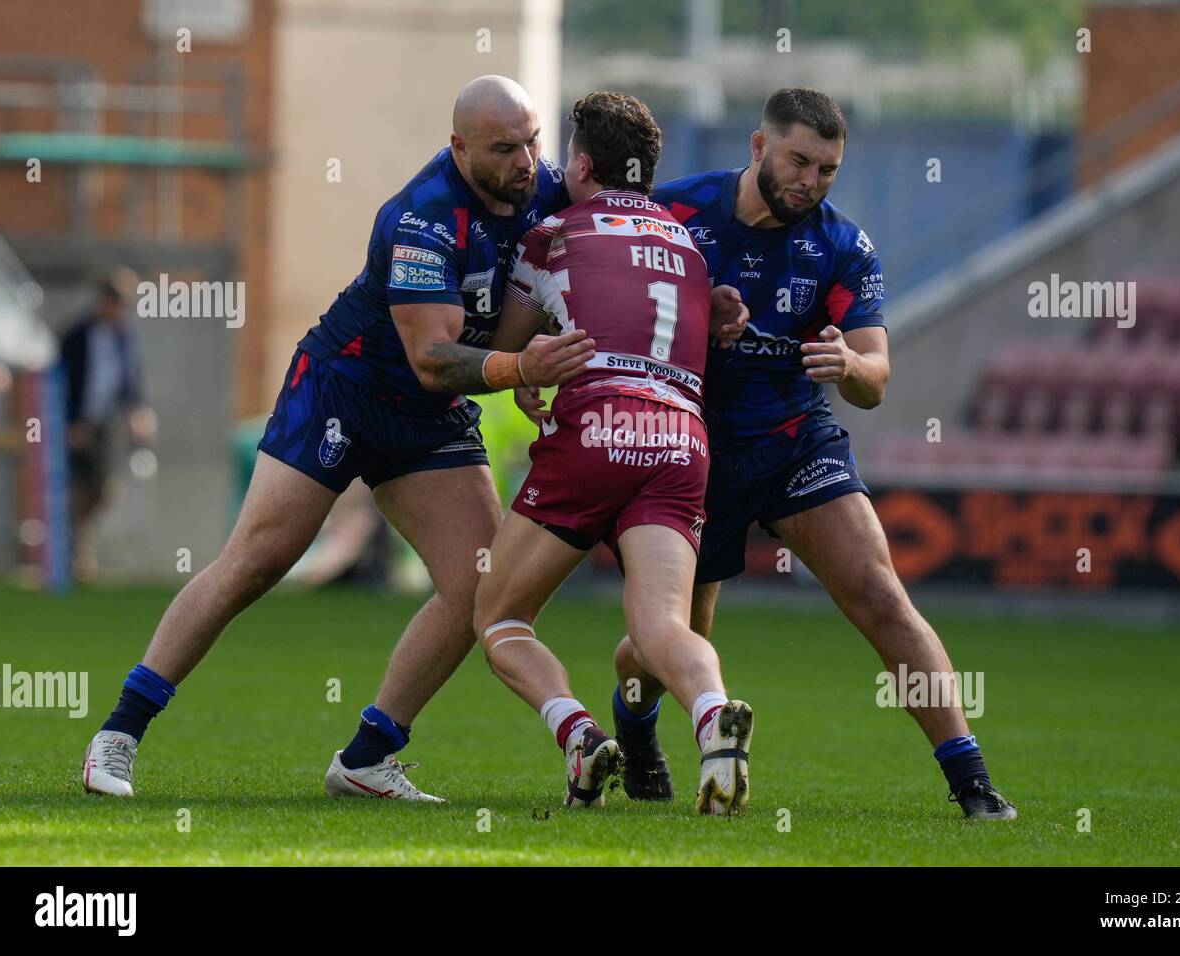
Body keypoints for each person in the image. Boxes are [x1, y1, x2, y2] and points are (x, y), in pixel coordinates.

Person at [81, 75, 596, 801]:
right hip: (342, 392)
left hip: (427, 417)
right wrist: (518, 367)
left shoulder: (542, 187)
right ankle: (118, 734)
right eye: (504, 148)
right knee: (255, 562)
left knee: (481, 589)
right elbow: (432, 358)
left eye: (532, 142)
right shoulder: (421, 216)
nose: (525, 162)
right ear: (459, 147)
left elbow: (626, 233)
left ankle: (366, 757)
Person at [602, 88, 1017, 819]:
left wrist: (848, 365)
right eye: (799, 161)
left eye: (827, 170)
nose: (810, 181)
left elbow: (875, 379)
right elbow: (611, 313)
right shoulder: (672, 214)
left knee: (880, 596)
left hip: (796, 444)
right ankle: (634, 724)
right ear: (759, 146)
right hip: (690, 451)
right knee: (668, 644)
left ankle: (972, 781)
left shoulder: (843, 247)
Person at [475, 92, 753, 814]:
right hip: (682, 437)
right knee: (660, 628)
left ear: (582, 164)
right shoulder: (688, 246)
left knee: (499, 618)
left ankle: (579, 734)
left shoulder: (553, 234)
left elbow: (506, 351)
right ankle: (713, 713)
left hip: (598, 429)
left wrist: (525, 369)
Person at [60, 268, 157, 582]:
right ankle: (76, 552)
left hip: (108, 424)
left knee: (107, 489)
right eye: (119, 301)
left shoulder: (124, 337)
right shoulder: (77, 335)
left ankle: (77, 541)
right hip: (79, 423)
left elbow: (131, 378)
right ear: (106, 301)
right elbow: (61, 381)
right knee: (80, 486)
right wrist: (69, 422)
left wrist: (138, 411)